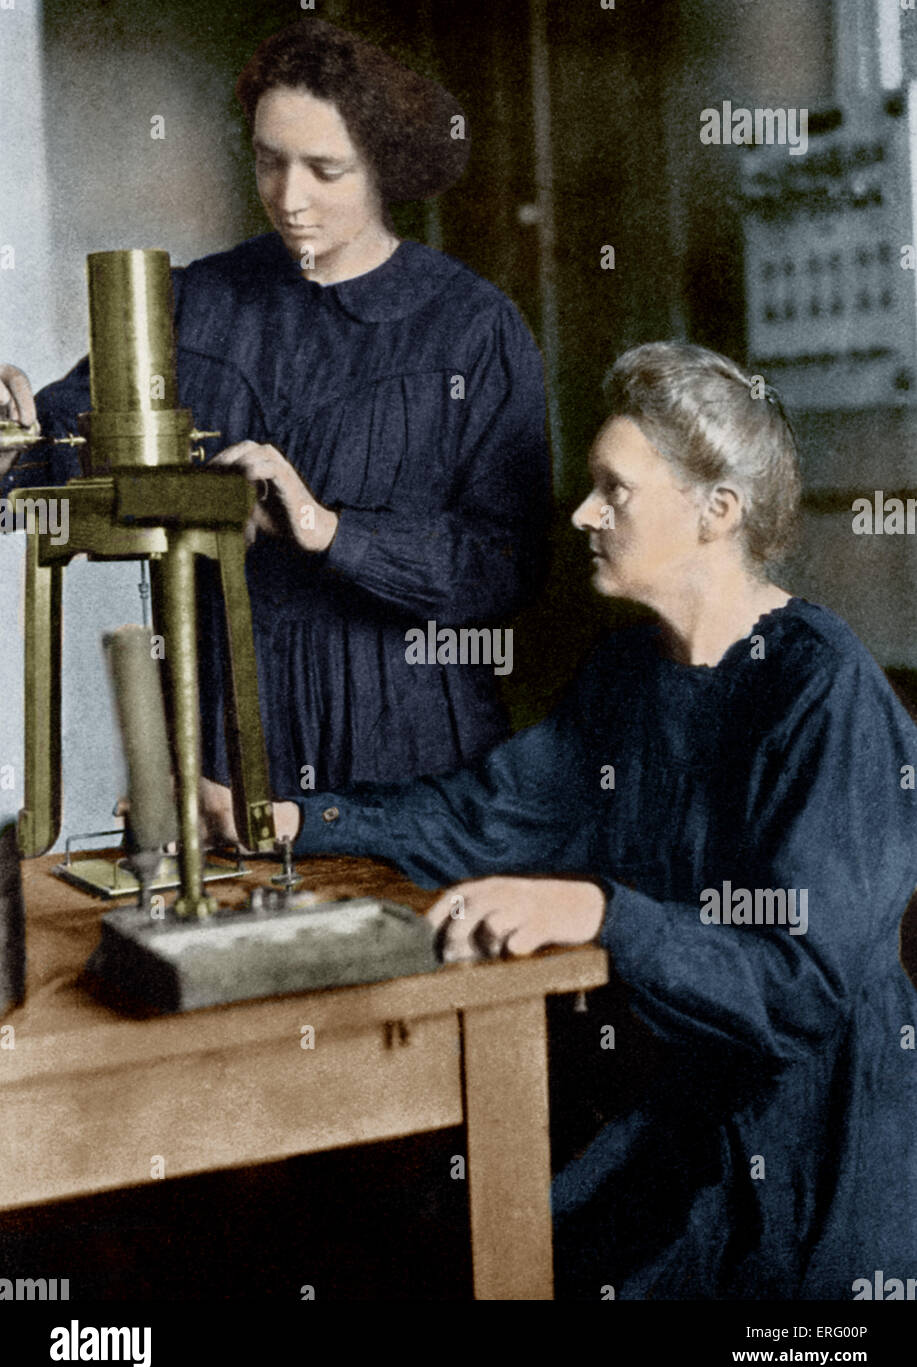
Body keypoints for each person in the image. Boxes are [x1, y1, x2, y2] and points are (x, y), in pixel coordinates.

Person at [204, 341, 917, 1299]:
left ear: (717, 513)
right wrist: (290, 819)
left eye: (613, 491)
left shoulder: (820, 687)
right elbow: (480, 817)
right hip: (684, 1110)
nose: (584, 514)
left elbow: (803, 983)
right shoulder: (627, 674)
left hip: (814, 1155)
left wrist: (598, 913)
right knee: (436, 1248)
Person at [0, 17, 551, 795]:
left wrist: (327, 529)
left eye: (325, 170)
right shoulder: (193, 302)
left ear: (383, 166)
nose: (289, 198)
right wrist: (13, 445)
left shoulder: (469, 327)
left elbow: (508, 567)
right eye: (269, 162)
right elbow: (60, 451)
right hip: (225, 745)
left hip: (409, 748)